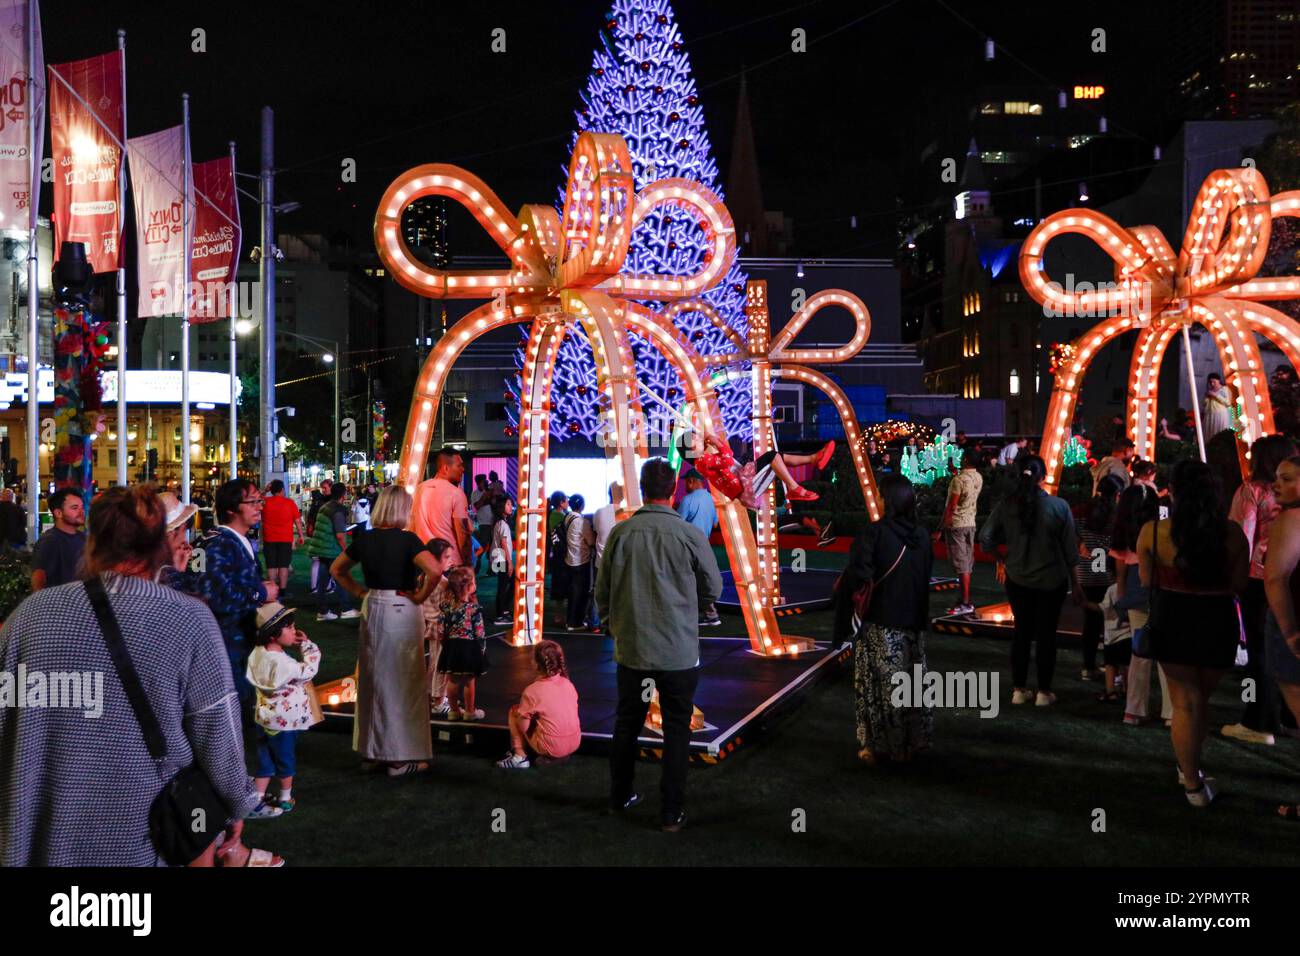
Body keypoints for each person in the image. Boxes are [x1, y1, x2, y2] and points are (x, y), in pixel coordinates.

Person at [0, 485, 278, 867]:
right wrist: (234, 805)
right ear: (160, 544)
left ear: (93, 541)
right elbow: (217, 731)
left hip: (39, 832)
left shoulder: (29, 617)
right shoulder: (187, 619)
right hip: (139, 833)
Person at [596, 457, 723, 833]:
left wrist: (610, 622)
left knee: (626, 725)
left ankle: (619, 796)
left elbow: (601, 590)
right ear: (674, 491)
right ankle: (671, 811)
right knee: (677, 730)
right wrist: (690, 603)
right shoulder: (687, 535)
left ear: (643, 488)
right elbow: (713, 587)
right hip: (678, 651)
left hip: (633, 648)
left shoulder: (622, 533)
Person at [1138, 459, 1249, 807]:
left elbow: (1145, 581)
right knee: (1202, 699)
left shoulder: (1153, 532)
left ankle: (1191, 781)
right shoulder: (1232, 534)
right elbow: (1239, 584)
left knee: (1185, 702)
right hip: (1217, 618)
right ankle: (1192, 770)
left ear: (1175, 492)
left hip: (1174, 617)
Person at [331, 486, 444, 775]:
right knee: (403, 681)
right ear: (402, 509)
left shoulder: (364, 539)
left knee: (372, 679)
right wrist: (419, 596)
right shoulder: (408, 540)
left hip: (373, 606)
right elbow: (434, 570)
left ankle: (372, 751)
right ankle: (398, 756)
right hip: (401, 608)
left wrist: (359, 592)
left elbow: (336, 569)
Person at [834, 474, 934, 764]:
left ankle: (877, 744)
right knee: (912, 683)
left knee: (876, 685)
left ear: (887, 499)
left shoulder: (873, 533)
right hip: (913, 622)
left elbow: (860, 575)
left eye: (879, 494)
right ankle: (912, 742)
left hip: (881, 622)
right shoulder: (921, 535)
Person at [979, 455, 1077, 706]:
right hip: (1051, 580)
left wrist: (1002, 559)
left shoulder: (1006, 505)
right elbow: (1070, 552)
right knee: (1047, 635)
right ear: (1043, 477)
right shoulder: (1059, 506)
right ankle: (1044, 691)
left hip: (1018, 578)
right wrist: (1076, 584)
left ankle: (1019, 690)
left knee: (1021, 632)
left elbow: (986, 537)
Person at [1223, 435, 1298, 746]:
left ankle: (1255, 718)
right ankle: (1287, 715)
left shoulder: (1251, 492)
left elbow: (1242, 537)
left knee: (1257, 656)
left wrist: (1234, 579)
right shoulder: (1288, 501)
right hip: (1294, 581)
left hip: (1260, 579)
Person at [196, 479, 280, 711]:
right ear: (231, 509)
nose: (259, 506)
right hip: (228, 645)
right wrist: (261, 592)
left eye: (259, 501)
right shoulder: (216, 545)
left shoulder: (210, 541)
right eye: (252, 502)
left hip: (236, 642)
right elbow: (210, 595)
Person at [246, 602, 322, 816]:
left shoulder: (257, 654)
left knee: (264, 759)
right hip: (286, 723)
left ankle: (257, 800)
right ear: (273, 634)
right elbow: (310, 668)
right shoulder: (285, 665)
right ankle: (285, 797)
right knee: (285, 760)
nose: (293, 631)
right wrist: (307, 645)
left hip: (264, 718)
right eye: (288, 627)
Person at [1112, 484, 1171, 727]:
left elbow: (1121, 574)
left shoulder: (1123, 534)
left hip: (1136, 596)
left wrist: (1122, 600)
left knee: (1140, 653)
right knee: (1168, 655)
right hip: (1164, 594)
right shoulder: (1162, 530)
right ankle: (1171, 713)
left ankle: (1134, 710)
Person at [1261, 455, 1300, 819]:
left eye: (1287, 479)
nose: (1277, 485)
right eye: (1277, 477)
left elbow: (1275, 578)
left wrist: (1289, 632)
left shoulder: (1291, 520)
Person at [496, 639, 582, 769]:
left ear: (536, 664)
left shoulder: (532, 691)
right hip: (575, 743)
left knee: (515, 712)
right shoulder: (569, 684)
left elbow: (523, 727)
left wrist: (523, 715)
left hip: (552, 747)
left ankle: (520, 756)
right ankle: (560, 755)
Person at [1075, 474, 1124, 687]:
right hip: (1108, 574)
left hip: (1086, 574)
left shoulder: (1082, 511)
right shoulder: (1117, 515)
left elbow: (1071, 528)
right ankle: (1111, 668)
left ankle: (1088, 666)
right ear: (1117, 494)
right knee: (1112, 623)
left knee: (1090, 623)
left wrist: (1079, 542)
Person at [695, 432, 834, 506]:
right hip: (745, 488)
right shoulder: (702, 460)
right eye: (696, 439)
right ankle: (794, 487)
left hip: (744, 485)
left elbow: (725, 462)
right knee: (772, 456)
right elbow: (728, 458)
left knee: (775, 457)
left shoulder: (703, 460)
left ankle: (813, 459)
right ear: (691, 447)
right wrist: (716, 442)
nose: (701, 439)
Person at [435, 565, 488, 721]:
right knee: (469, 681)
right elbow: (479, 633)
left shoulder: (446, 606)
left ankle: (453, 711)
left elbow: (440, 628)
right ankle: (470, 712)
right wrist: (482, 650)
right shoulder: (473, 609)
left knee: (452, 680)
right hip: (469, 647)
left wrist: (445, 644)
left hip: (451, 646)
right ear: (469, 586)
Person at [409, 447, 472, 571]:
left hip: (423, 561)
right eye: (459, 466)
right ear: (446, 468)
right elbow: (462, 535)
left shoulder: (419, 489)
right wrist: (468, 565)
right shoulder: (456, 493)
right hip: (450, 564)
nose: (463, 470)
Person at [937, 453, 982, 614]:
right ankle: (963, 600)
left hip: (956, 525)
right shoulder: (977, 477)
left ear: (965, 460)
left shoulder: (958, 481)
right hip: (970, 523)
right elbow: (965, 483)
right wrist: (955, 472)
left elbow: (952, 506)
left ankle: (965, 602)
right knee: (967, 563)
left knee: (962, 565)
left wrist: (939, 529)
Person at [307, 482, 358, 622]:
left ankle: (323, 611)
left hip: (322, 548)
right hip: (331, 549)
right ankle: (346, 609)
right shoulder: (338, 510)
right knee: (340, 577)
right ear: (343, 495)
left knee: (323, 582)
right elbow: (340, 535)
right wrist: (346, 551)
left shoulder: (325, 506)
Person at [677, 469, 721, 627]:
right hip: (705, 544)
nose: (684, 485)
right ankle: (711, 614)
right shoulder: (710, 498)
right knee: (701, 580)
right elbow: (715, 523)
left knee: (685, 580)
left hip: (688, 546)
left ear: (691, 481)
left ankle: (700, 615)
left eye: (685, 482)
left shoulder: (687, 500)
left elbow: (677, 525)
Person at [420, 538, 457, 716]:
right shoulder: (442, 583)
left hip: (431, 625)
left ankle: (431, 693)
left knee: (435, 662)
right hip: (441, 628)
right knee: (442, 666)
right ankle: (439, 700)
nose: (451, 560)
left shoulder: (424, 577)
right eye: (447, 557)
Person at [30, 488, 86, 591]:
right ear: (58, 513)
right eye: (75, 508)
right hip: (60, 604)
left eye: (82, 507)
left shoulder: (83, 538)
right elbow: (38, 578)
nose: (81, 512)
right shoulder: (50, 541)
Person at [261, 480, 304, 600]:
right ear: (282, 490)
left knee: (271, 566)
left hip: (269, 538)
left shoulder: (265, 502)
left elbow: (256, 500)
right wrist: (300, 536)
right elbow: (297, 521)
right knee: (283, 565)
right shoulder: (289, 503)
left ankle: (272, 590)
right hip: (285, 538)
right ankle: (283, 591)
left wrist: (265, 490)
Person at [564, 493, 597, 631]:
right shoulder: (581, 521)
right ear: (582, 505)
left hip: (569, 559)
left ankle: (570, 621)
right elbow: (590, 541)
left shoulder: (568, 517)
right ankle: (575, 623)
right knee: (581, 593)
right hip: (580, 560)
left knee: (573, 592)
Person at [490, 496, 516, 626]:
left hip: (497, 556)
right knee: (505, 585)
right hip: (502, 557)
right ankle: (500, 615)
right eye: (508, 504)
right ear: (501, 508)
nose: (511, 507)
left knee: (505, 583)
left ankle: (503, 610)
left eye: (511, 504)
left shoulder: (499, 523)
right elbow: (504, 543)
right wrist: (510, 562)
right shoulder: (503, 524)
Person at [304, 478, 333, 593]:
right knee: (326, 560)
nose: (324, 490)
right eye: (323, 488)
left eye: (325, 488)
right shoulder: (326, 501)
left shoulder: (318, 500)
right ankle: (325, 586)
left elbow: (310, 516)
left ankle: (317, 586)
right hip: (323, 534)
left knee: (318, 561)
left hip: (318, 533)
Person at [592, 481, 622, 568]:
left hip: (600, 562)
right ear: (622, 496)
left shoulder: (598, 512)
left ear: (609, 493)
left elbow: (595, 532)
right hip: (618, 564)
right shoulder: (626, 514)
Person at [472, 475, 494, 573]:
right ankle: (476, 564)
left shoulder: (489, 491)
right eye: (483, 481)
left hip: (494, 522)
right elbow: (477, 506)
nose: (485, 483)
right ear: (478, 483)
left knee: (497, 546)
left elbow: (494, 503)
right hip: (484, 523)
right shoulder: (475, 493)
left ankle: (495, 569)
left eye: (485, 481)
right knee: (483, 545)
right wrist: (484, 497)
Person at [1202, 373, 1235, 437]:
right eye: (1210, 382)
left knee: (1218, 432)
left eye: (1214, 382)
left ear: (1219, 380)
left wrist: (1216, 395)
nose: (1212, 384)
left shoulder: (1224, 389)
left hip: (1220, 414)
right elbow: (1204, 404)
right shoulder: (1210, 391)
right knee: (1209, 434)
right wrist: (1207, 397)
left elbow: (1228, 403)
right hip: (1209, 414)